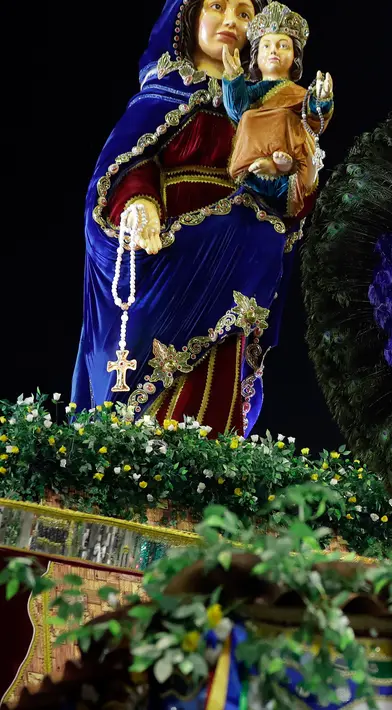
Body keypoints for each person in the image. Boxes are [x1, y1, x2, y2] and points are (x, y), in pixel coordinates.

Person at [72, 0, 316, 438]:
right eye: (217, 6)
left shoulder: (264, 106)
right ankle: (131, 459)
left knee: (221, 363)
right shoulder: (165, 93)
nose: (230, 21)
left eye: (244, 14)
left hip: (240, 259)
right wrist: (141, 201)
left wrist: (289, 177)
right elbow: (125, 165)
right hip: (171, 252)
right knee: (147, 370)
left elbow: (293, 190)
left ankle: (206, 470)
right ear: (188, 18)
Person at [221, 1, 334, 219]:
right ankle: (270, 166)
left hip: (292, 161)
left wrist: (322, 99)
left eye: (283, 45)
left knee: (284, 117)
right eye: (266, 46)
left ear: (294, 56)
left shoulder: (300, 94)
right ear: (255, 56)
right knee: (248, 118)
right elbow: (236, 111)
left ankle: (282, 166)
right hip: (253, 164)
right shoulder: (253, 92)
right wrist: (234, 79)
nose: (274, 50)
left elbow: (314, 121)